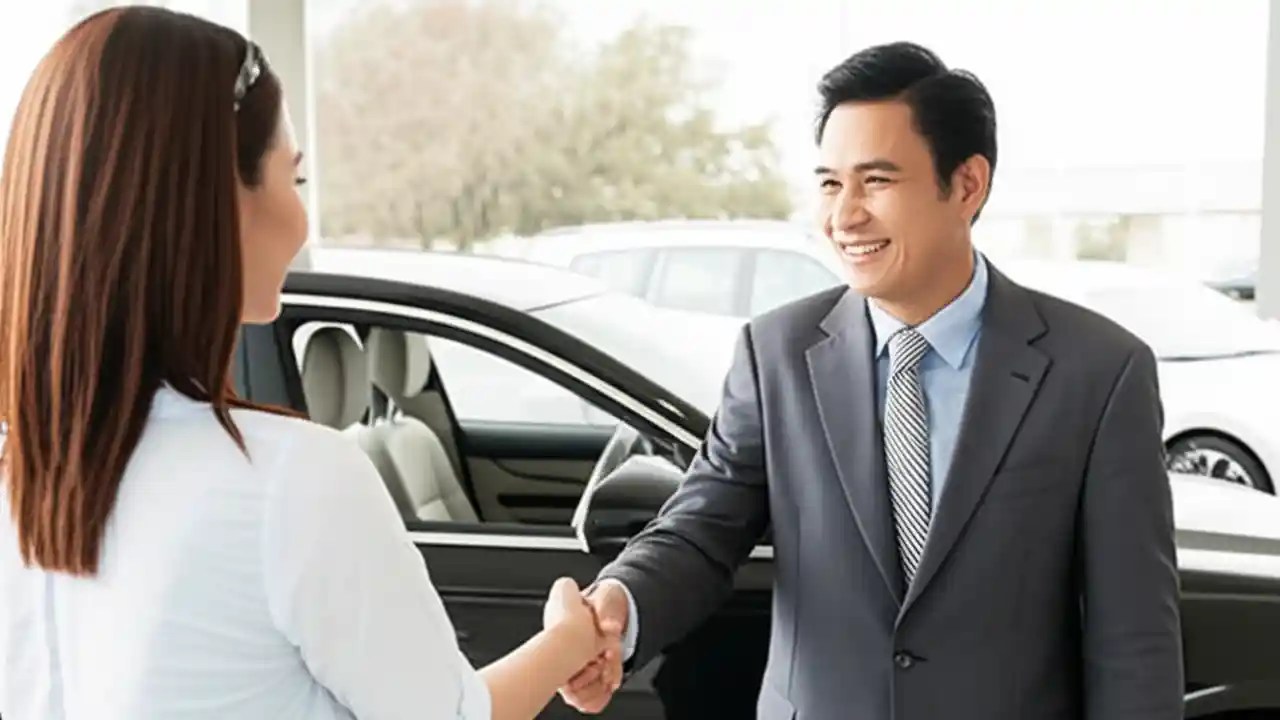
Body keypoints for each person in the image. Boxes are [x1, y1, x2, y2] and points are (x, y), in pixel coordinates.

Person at [0, 7, 615, 720]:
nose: (301, 221)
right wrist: (567, 642)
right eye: (292, 180)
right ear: (216, 207)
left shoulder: (23, 477)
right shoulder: (292, 480)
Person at [562, 41, 1184, 719]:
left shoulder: (1098, 371)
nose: (844, 215)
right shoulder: (775, 354)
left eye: (877, 181)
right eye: (831, 183)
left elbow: (1135, 639)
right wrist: (619, 607)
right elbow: (700, 532)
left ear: (968, 185)